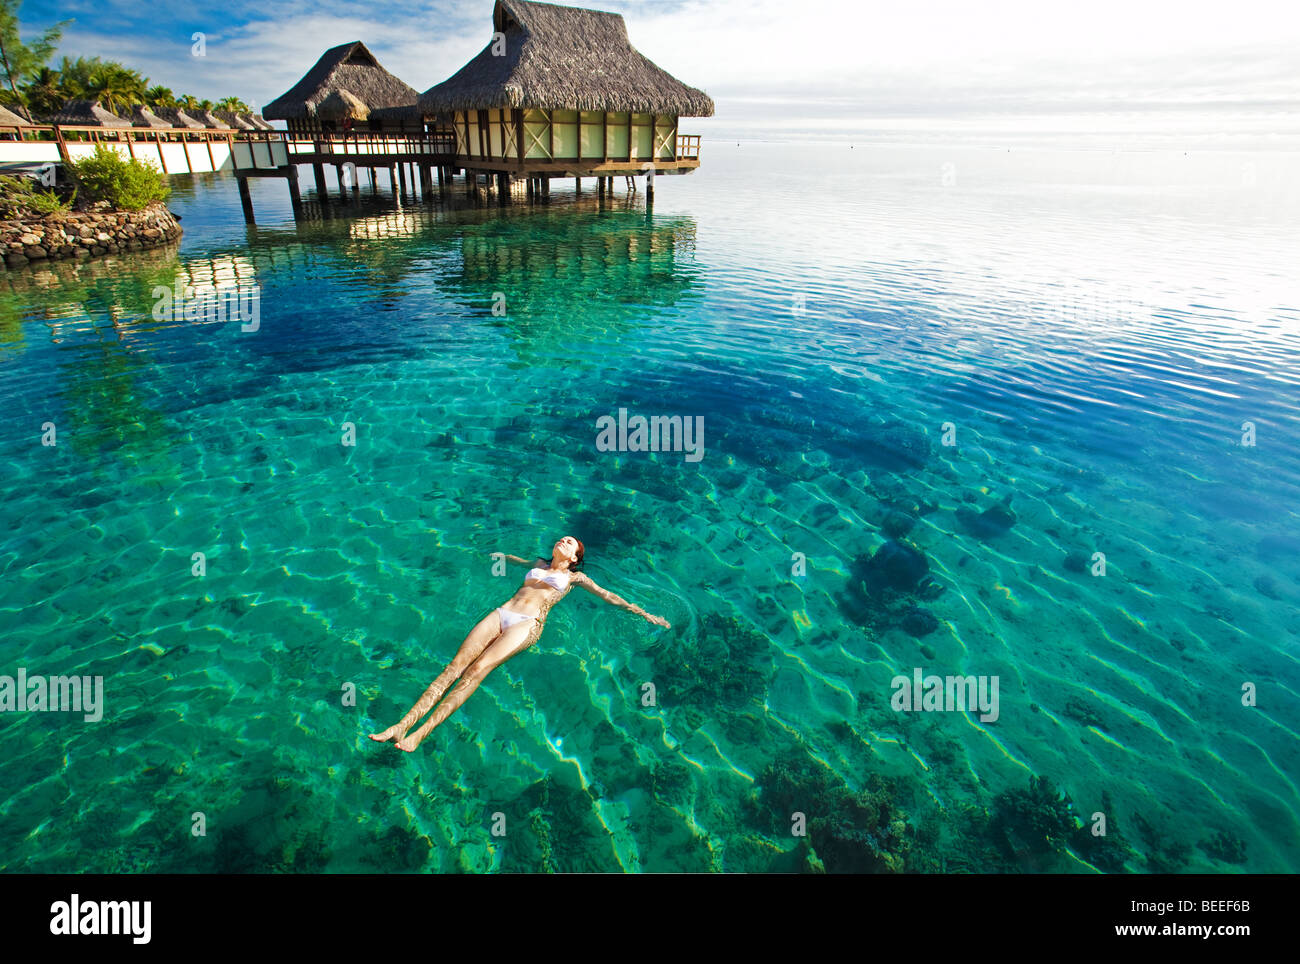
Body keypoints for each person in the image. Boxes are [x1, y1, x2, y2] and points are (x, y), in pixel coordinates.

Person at [368, 535, 669, 752]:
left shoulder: (576, 579)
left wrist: (645, 614)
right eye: (561, 539)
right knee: (454, 666)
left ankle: (421, 733)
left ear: (575, 558)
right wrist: (494, 556)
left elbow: (609, 596)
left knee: (476, 671)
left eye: (570, 543)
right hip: (502, 612)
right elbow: (517, 561)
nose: (562, 542)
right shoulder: (538, 562)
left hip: (527, 626)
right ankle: (401, 724)